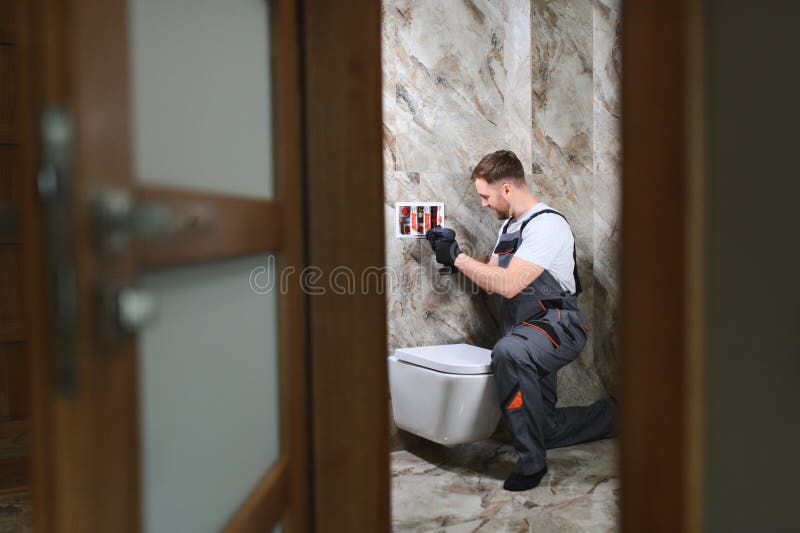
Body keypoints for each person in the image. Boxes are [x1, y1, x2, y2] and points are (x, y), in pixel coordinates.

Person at [425, 150, 616, 492]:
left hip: (558, 326)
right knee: (543, 427)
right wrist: (451, 257)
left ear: (507, 189)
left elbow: (510, 284)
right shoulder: (511, 227)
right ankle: (612, 417)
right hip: (524, 330)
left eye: (485, 196)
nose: (483, 204)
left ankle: (532, 464)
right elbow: (493, 277)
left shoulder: (548, 225)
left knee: (509, 352)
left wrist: (460, 259)